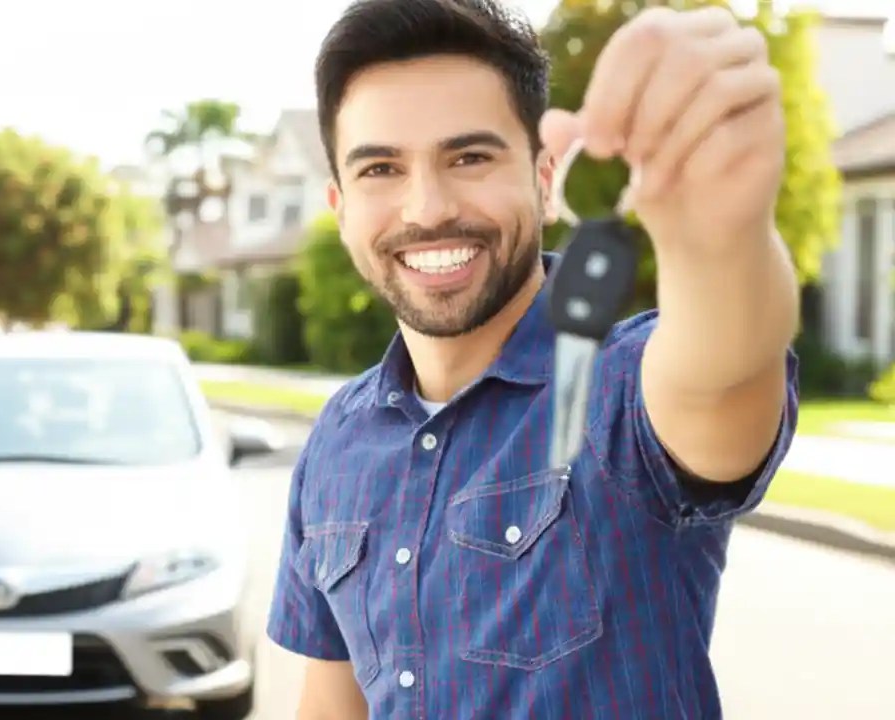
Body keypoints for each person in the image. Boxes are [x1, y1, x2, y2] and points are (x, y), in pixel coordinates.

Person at [265, 1, 800, 718]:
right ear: (339, 205)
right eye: (382, 168)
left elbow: (725, 372)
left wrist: (722, 241)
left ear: (545, 180)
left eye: (469, 157)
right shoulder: (336, 441)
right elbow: (333, 706)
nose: (426, 208)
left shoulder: (618, 387)